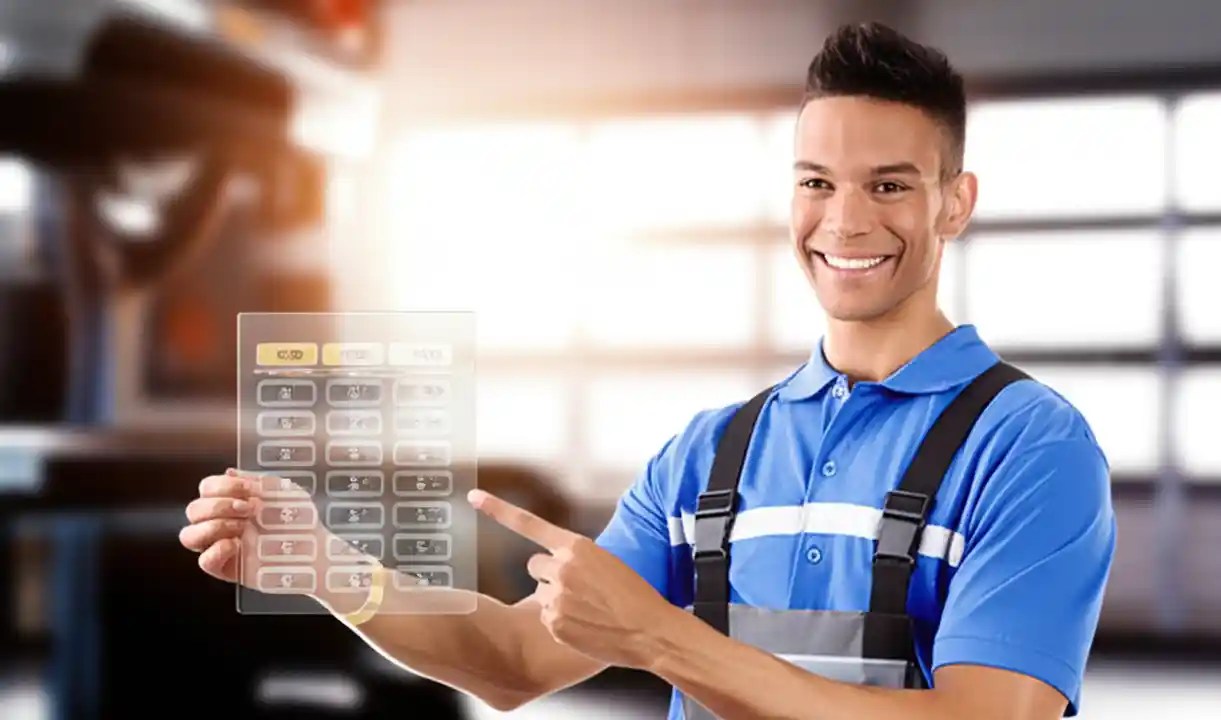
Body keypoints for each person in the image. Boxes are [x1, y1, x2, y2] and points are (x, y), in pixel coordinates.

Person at [179, 21, 1115, 720]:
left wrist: (658, 635)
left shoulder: (1029, 445)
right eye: (817, 182)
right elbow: (511, 660)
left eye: (891, 185)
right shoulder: (711, 454)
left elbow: (984, 718)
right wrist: (322, 566)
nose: (846, 221)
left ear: (956, 204)